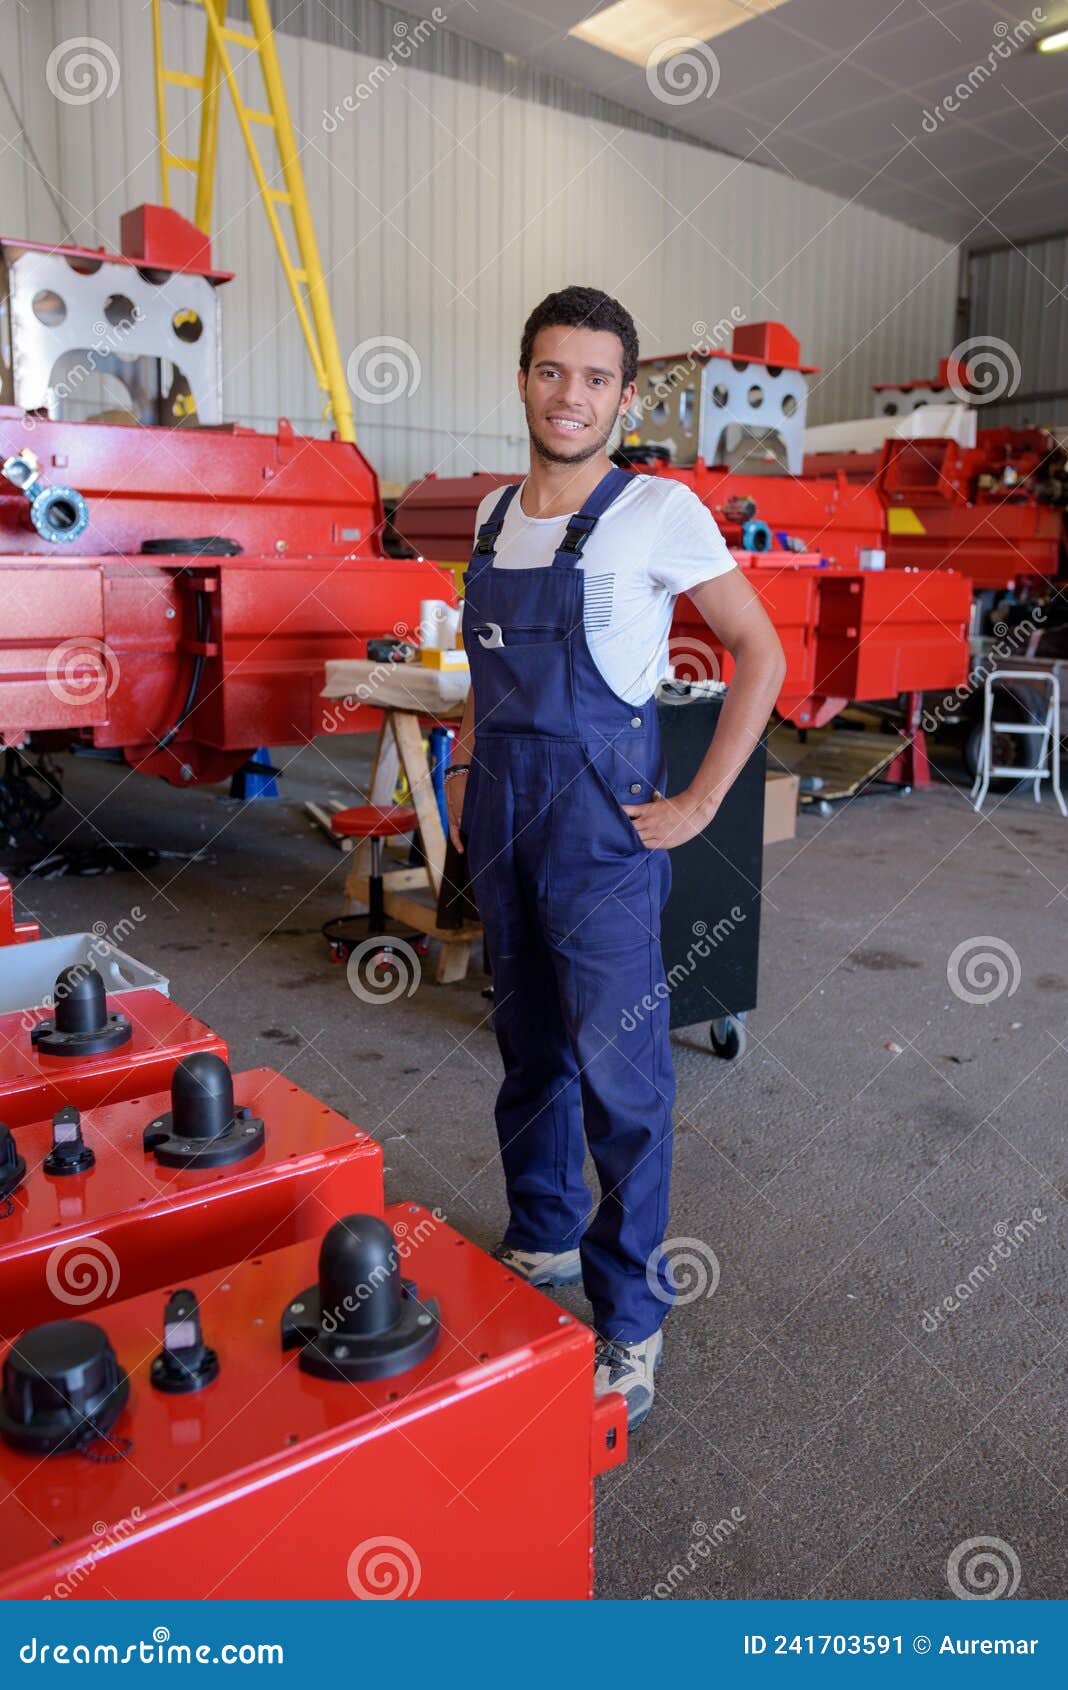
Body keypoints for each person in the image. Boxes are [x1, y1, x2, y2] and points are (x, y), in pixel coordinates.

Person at [444, 286, 785, 1429]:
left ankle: (630, 1320)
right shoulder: (493, 516)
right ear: (524, 377)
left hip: (602, 836)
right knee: (527, 1046)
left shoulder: (658, 510)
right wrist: (459, 783)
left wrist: (698, 802)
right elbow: (484, 687)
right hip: (500, 823)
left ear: (625, 395)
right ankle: (540, 1234)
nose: (571, 395)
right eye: (552, 371)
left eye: (595, 378)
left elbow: (760, 653)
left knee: (622, 1081)